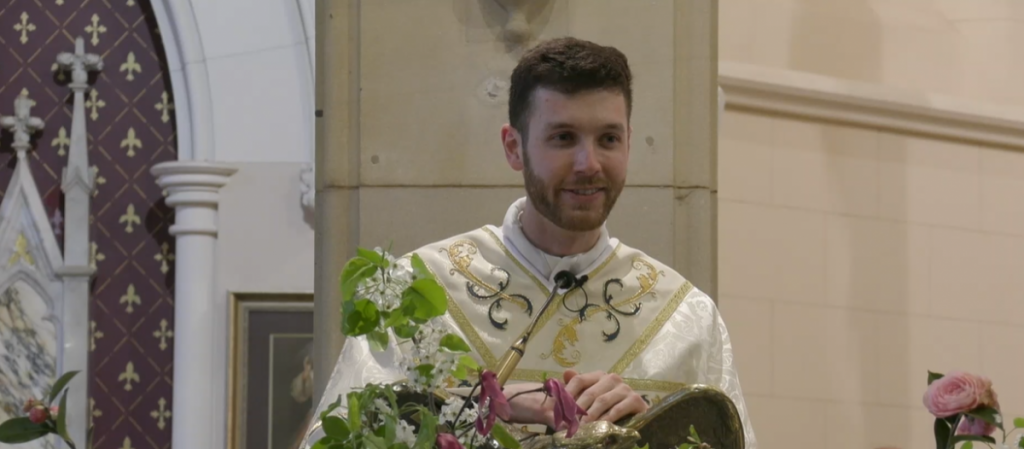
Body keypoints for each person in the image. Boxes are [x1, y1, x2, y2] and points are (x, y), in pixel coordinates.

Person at [303, 36, 757, 448]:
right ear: (513, 147)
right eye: (563, 138)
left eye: (608, 139)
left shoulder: (686, 319)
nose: (589, 163)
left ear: (630, 144)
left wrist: (654, 432)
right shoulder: (419, 295)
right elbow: (336, 441)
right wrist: (474, 408)